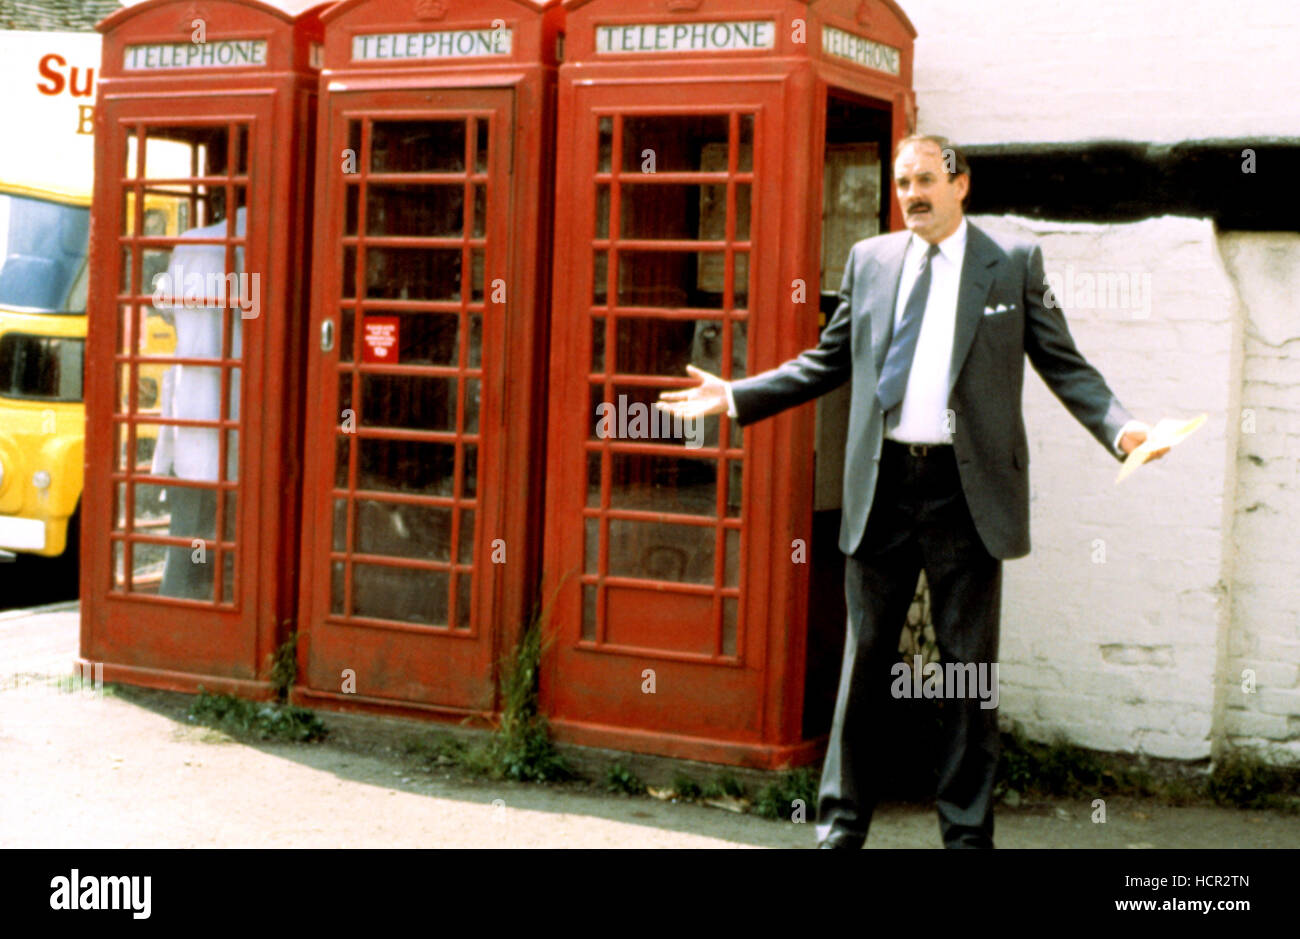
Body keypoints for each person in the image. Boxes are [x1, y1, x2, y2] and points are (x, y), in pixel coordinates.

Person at [656, 134, 1168, 848]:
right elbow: (827, 360)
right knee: (864, 668)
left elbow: (1064, 361)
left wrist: (1123, 430)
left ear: (963, 185)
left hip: (967, 492)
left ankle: (965, 835)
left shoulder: (1010, 265)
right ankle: (839, 828)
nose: (912, 194)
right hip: (884, 484)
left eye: (926, 179)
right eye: (902, 183)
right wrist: (739, 395)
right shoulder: (870, 261)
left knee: (966, 676)